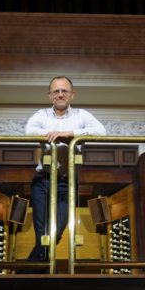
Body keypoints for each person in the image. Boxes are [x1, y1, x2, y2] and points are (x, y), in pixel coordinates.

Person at [24, 76, 106, 263]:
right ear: (50, 95)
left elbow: (101, 132)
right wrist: (52, 135)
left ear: (72, 95)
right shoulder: (41, 115)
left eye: (64, 91)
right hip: (42, 181)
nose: (60, 94)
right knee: (42, 236)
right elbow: (29, 131)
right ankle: (36, 276)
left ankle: (24, 274)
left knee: (56, 233)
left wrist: (69, 134)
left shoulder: (81, 115)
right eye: (56, 91)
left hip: (66, 183)